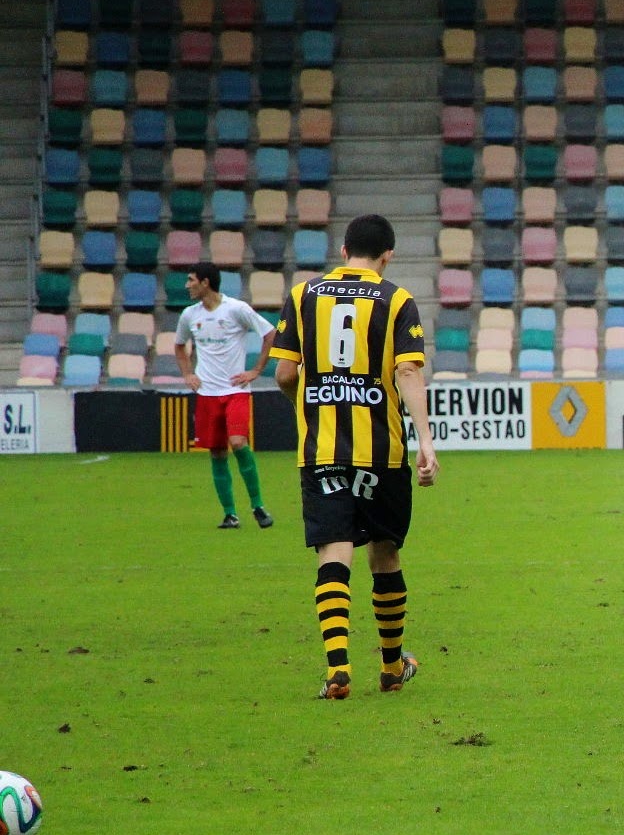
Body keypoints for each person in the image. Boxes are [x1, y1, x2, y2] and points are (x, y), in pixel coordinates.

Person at [271, 214, 439, 701]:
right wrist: (425, 440)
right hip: (381, 453)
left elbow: (285, 374)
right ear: (387, 255)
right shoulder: (397, 300)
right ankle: (390, 666)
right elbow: (408, 374)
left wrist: (311, 409)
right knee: (384, 551)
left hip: (322, 450)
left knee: (333, 551)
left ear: (344, 250)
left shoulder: (303, 297)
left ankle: (338, 670)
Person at [174, 262, 276, 530]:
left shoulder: (236, 309)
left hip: (235, 390)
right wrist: (187, 373)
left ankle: (258, 506)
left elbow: (270, 334)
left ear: (205, 282)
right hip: (207, 393)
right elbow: (178, 345)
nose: (187, 285)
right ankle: (230, 514)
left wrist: (256, 370)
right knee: (217, 452)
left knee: (238, 442)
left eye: (191, 279)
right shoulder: (189, 315)